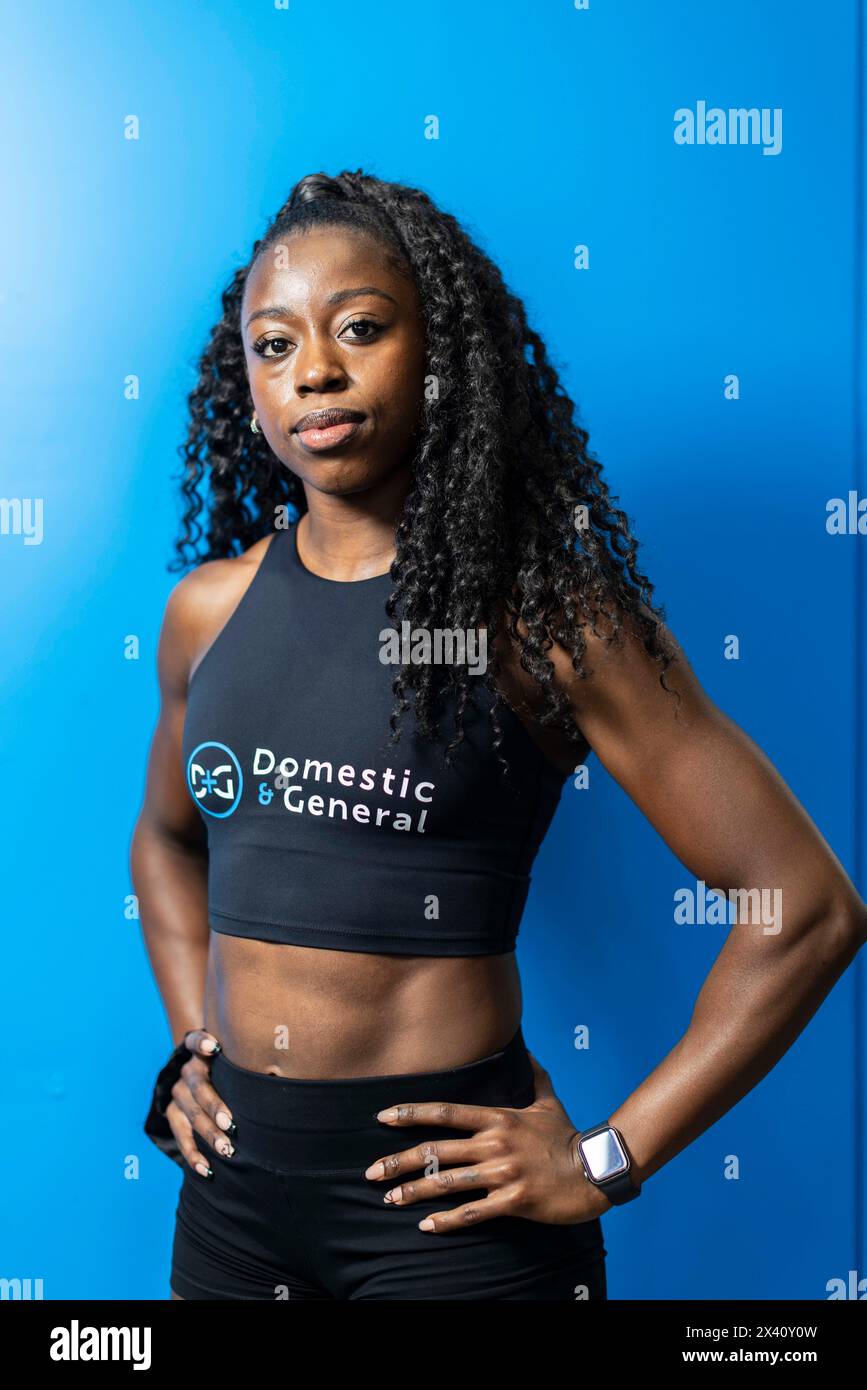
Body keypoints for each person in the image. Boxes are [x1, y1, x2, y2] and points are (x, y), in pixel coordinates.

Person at [131, 168, 866, 1302]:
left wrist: (606, 1158)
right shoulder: (207, 615)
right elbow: (169, 845)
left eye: (360, 329)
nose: (313, 370)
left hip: (451, 1223)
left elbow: (806, 905)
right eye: (273, 346)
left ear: (442, 353)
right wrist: (192, 1039)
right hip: (231, 1206)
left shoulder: (546, 623)